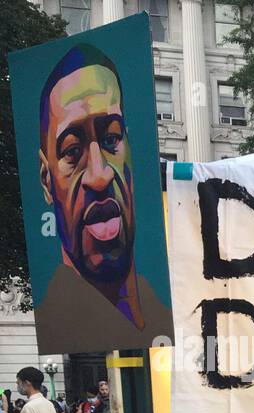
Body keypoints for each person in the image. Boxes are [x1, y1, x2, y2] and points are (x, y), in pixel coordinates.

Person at [33, 43, 170, 353]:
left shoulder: (167, 310)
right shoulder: (55, 317)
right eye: (72, 151)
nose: (100, 175)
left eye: (111, 139)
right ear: (46, 179)